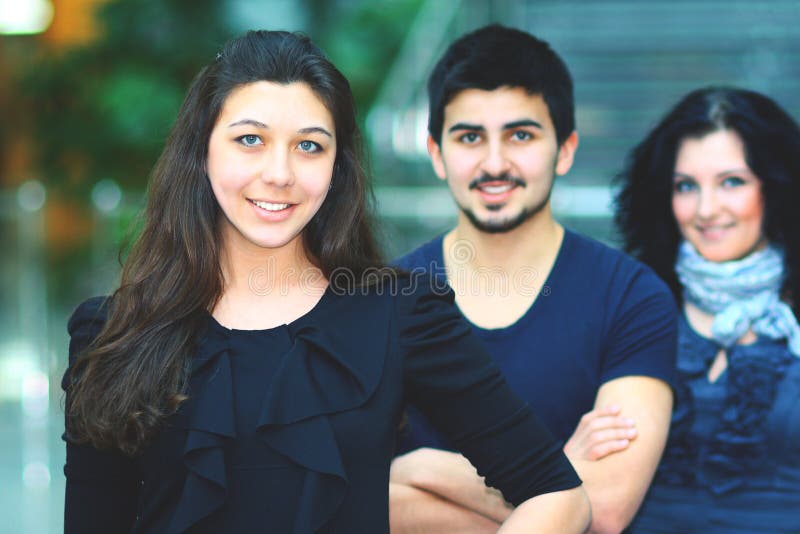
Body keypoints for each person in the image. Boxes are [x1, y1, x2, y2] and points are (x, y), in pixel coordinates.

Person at [61, 30, 591, 533]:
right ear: (202, 151)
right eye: (250, 139)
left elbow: (558, 495)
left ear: (338, 166)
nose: (280, 173)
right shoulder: (112, 332)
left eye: (310, 146)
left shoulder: (400, 313)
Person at [389, 24, 677, 534]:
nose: (495, 163)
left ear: (565, 149)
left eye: (520, 135)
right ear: (436, 154)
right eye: (469, 137)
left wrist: (418, 467)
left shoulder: (632, 297)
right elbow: (360, 497)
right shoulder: (385, 297)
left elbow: (606, 510)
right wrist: (561, 487)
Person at [615, 86, 800, 533]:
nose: (706, 210)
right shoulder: (632, 303)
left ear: (775, 187)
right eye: (686, 186)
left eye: (732, 182)